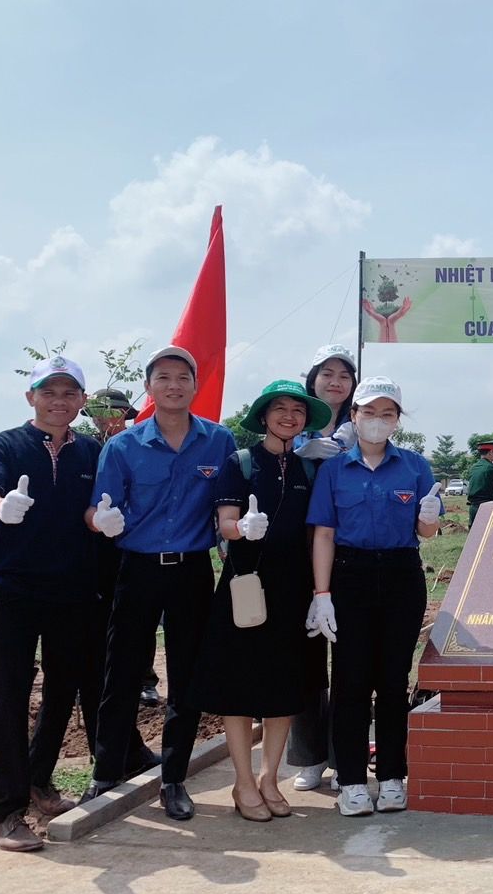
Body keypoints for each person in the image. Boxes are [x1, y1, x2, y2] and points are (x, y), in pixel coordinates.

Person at [83, 346, 236, 821]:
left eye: (182, 377)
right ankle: (106, 772)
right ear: (149, 388)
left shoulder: (219, 441)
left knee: (186, 677)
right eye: (163, 377)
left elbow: (227, 506)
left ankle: (173, 778)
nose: (173, 386)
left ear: (195, 386)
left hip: (192, 569)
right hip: (137, 567)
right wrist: (99, 520)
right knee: (122, 671)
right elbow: (95, 509)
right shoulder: (123, 446)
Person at [0, 355, 100, 850]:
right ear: (31, 397)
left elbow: (94, 505)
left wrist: (97, 519)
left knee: (63, 689)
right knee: (8, 695)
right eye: (49, 392)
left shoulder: (89, 452)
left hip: (70, 589)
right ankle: (3, 810)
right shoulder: (3, 444)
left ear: (82, 402)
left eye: (69, 393)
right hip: (13, 590)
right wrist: (0, 507)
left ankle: (38, 781)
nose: (59, 401)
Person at [193, 381, 329, 821]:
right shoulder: (241, 462)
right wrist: (241, 529)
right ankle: (243, 782)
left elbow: (316, 533)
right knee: (239, 688)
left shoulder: (310, 469)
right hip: (246, 586)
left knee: (285, 686)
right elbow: (225, 523)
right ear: (264, 416)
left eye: (297, 410)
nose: (289, 417)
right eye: (280, 409)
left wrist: (319, 592)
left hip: (294, 590)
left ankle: (271, 778)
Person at [305, 377, 442, 816]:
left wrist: (430, 518)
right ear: (354, 416)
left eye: (387, 413)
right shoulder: (334, 470)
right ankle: (350, 781)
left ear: (397, 421)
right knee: (351, 681)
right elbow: (324, 534)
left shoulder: (415, 467)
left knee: (392, 681)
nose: (377, 421)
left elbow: (425, 532)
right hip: (350, 574)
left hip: (402, 575)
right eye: (369, 412)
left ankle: (391, 775)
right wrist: (322, 594)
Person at [288, 344, 358, 794]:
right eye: (327, 373)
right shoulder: (293, 424)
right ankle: (309, 756)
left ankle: (342, 755)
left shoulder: (363, 429)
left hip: (346, 554)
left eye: (344, 375)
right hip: (297, 555)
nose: (335, 381)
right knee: (305, 660)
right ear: (312, 378)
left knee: (350, 661)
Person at [85, 389, 162, 710]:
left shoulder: (136, 447)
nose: (107, 418)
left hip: (132, 548)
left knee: (140, 619)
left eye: (113, 412)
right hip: (92, 551)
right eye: (100, 412)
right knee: (95, 619)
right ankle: (93, 678)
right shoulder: (85, 448)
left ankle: (144, 680)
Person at [465, 441, 493, 527]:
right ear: (491, 452)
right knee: (489, 534)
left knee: (475, 535)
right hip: (488, 507)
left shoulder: (473, 468)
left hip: (473, 508)